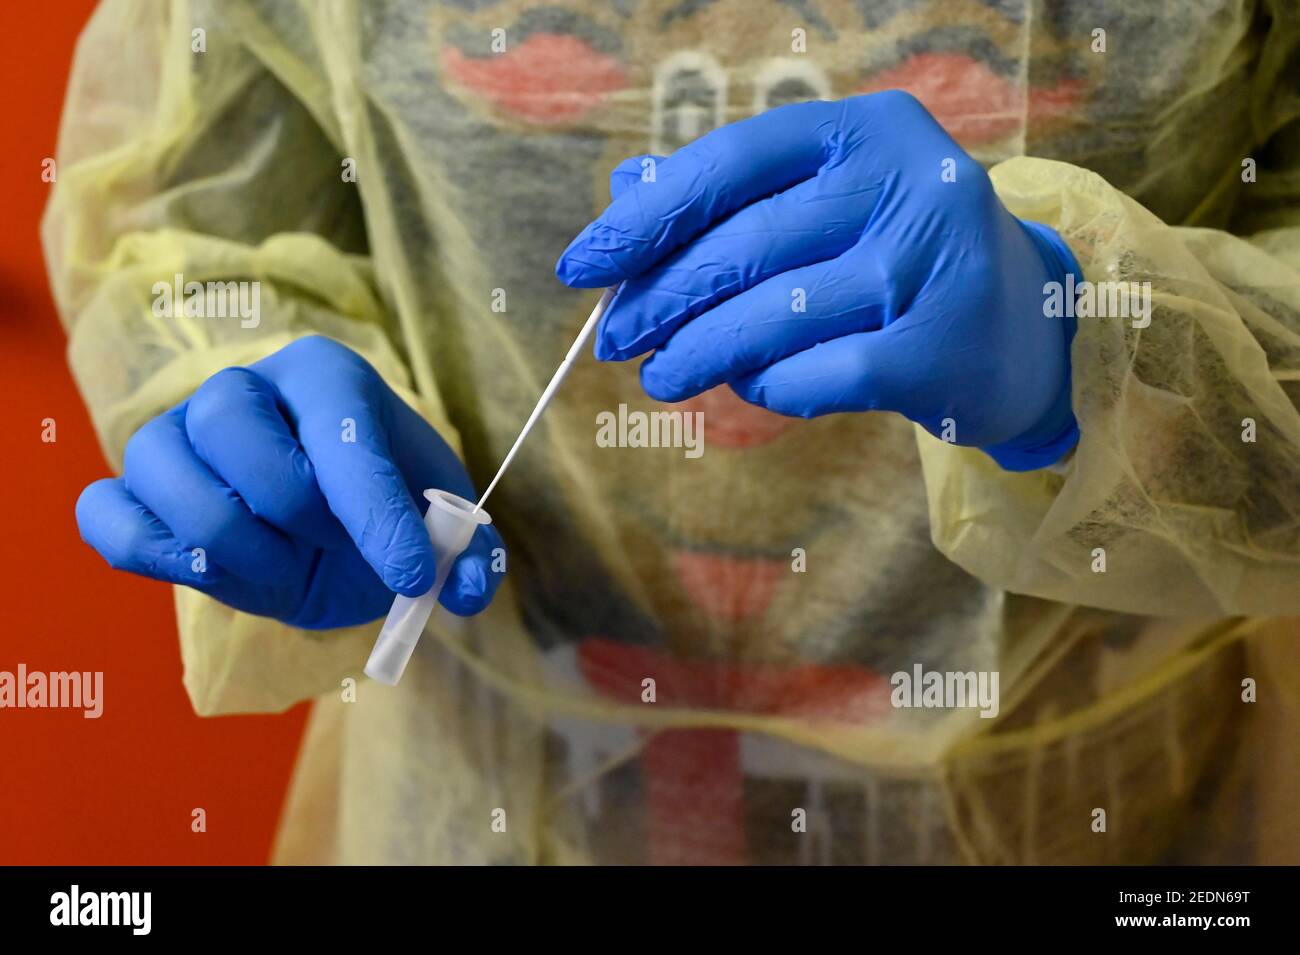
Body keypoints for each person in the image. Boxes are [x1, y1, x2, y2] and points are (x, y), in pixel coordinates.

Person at [45, 0, 1300, 864]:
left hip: (1121, 818)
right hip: (474, 804)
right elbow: (186, 213)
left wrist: (1090, 344)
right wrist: (256, 401)